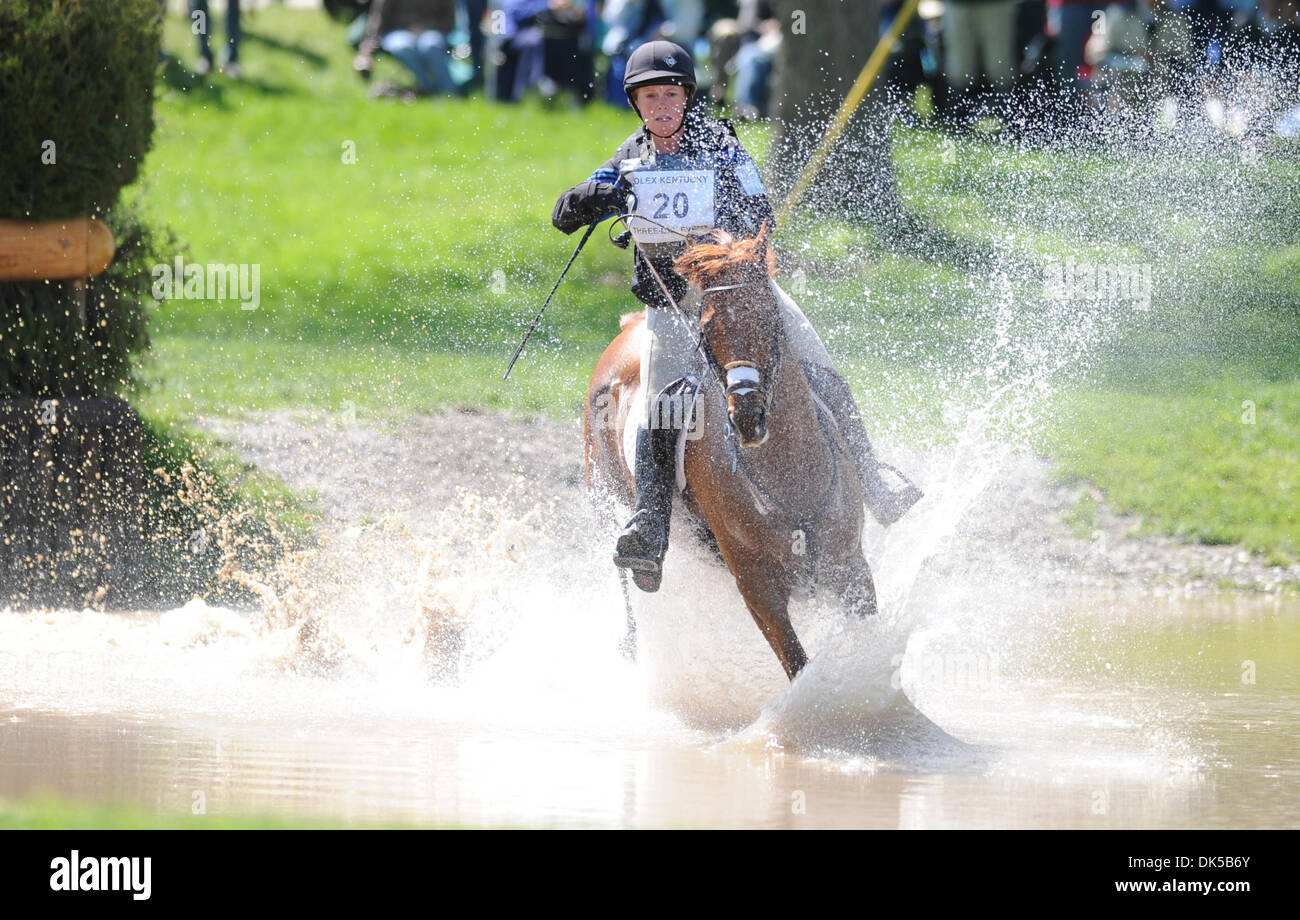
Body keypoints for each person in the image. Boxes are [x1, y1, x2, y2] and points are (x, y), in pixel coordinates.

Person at [551, 41, 923, 592]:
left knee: (817, 362)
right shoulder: (628, 156)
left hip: (738, 292)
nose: (661, 106)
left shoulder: (720, 144)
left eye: (670, 95)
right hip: (672, 305)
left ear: (686, 97)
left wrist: (723, 221)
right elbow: (563, 214)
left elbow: (760, 208)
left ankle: (871, 473)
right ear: (635, 102)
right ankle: (651, 521)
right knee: (661, 399)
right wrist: (598, 193)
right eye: (650, 97)